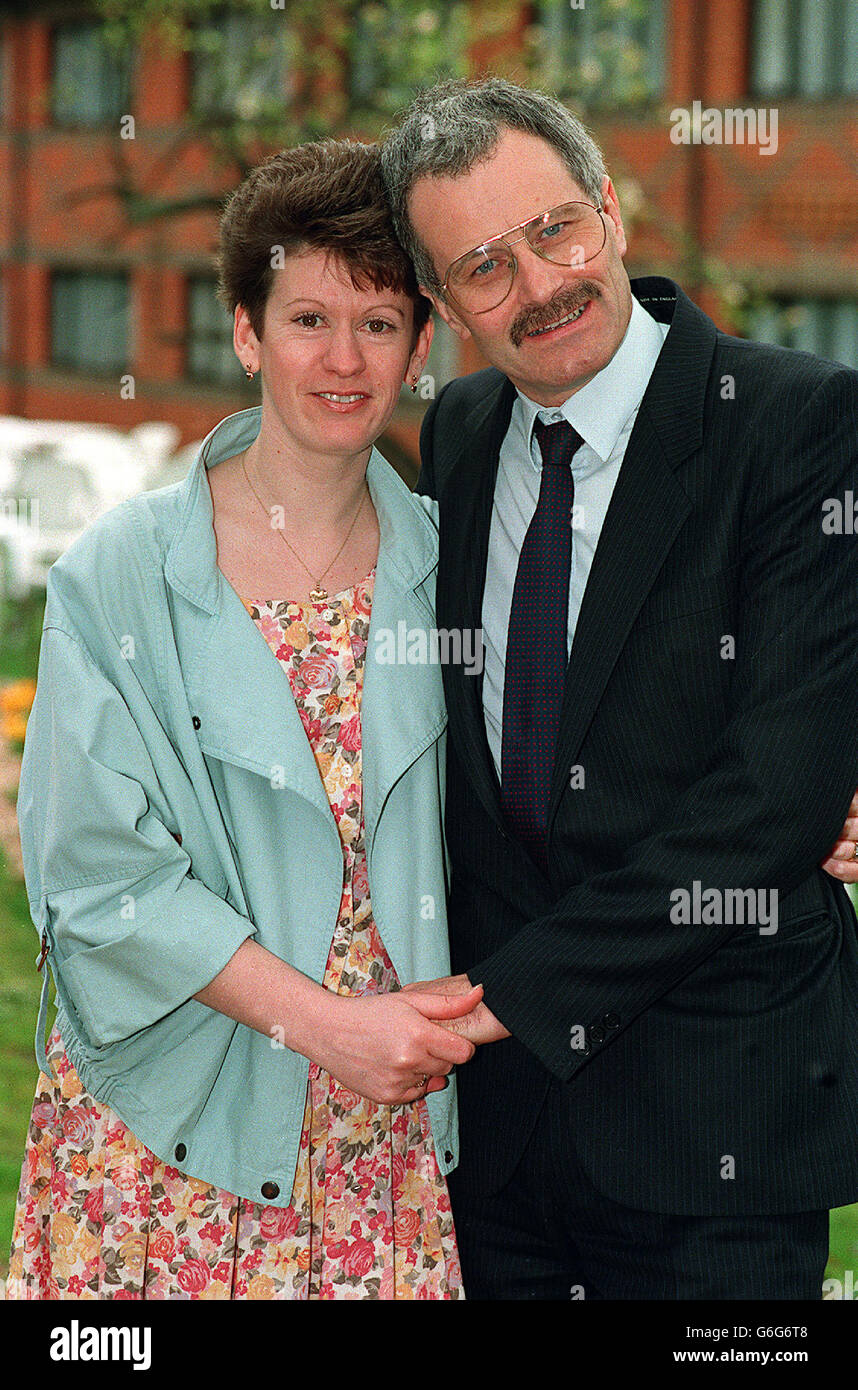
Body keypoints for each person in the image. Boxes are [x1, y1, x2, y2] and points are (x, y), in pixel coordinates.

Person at [379, 78, 858, 1300]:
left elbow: (775, 797)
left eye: (554, 231)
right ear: (442, 305)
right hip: (497, 1147)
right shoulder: (467, 432)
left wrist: (506, 1000)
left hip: (714, 1132)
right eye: (484, 266)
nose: (538, 285)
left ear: (610, 210)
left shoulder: (796, 426)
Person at [6, 139, 484, 1300]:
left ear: (421, 347)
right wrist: (328, 1026)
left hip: (388, 1132)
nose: (343, 358)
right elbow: (95, 878)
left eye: (380, 324)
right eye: (308, 318)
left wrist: (790, 814)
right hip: (170, 1127)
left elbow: (580, 763)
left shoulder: (457, 565)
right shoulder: (121, 572)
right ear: (245, 331)